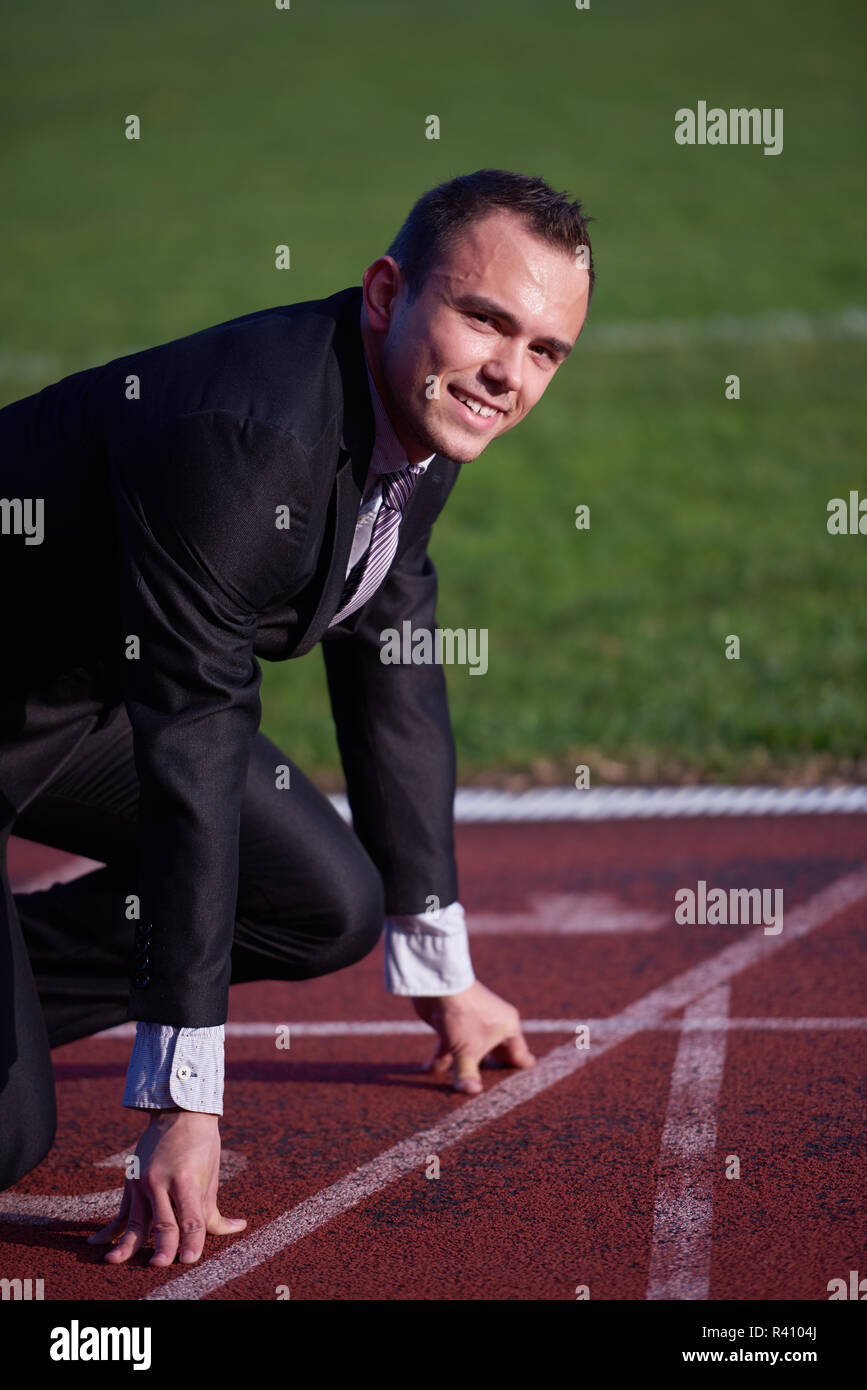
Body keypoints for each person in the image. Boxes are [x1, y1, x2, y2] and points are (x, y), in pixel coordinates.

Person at [0, 168, 593, 1267]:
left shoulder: (430, 407)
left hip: (68, 707)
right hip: (89, 704)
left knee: (324, 903)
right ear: (385, 294)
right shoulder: (243, 443)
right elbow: (193, 749)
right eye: (485, 320)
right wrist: (185, 1103)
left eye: (547, 349)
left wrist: (439, 966)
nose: (509, 373)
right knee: (7, 1129)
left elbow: (391, 657)